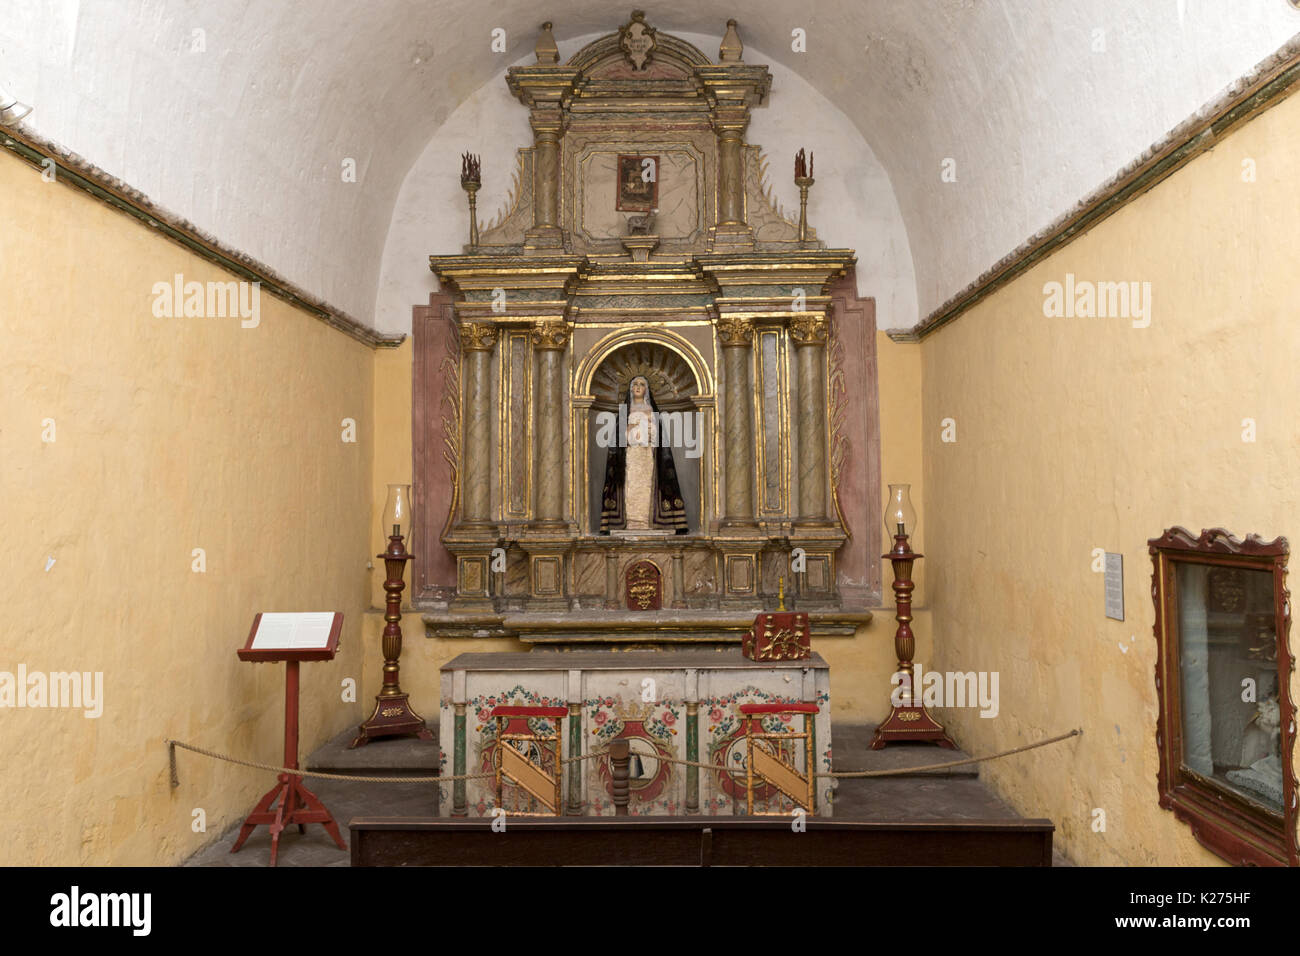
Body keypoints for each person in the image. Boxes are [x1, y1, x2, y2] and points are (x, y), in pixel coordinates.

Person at [599, 376, 688, 534]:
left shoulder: (652, 411)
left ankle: (647, 521)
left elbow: (658, 436)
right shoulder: (625, 411)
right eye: (635, 384)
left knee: (647, 487)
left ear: (646, 389)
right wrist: (631, 429)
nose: (638, 387)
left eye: (642, 384)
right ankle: (632, 522)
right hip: (631, 456)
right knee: (631, 487)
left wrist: (647, 431)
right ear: (631, 389)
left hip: (648, 456)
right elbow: (618, 438)